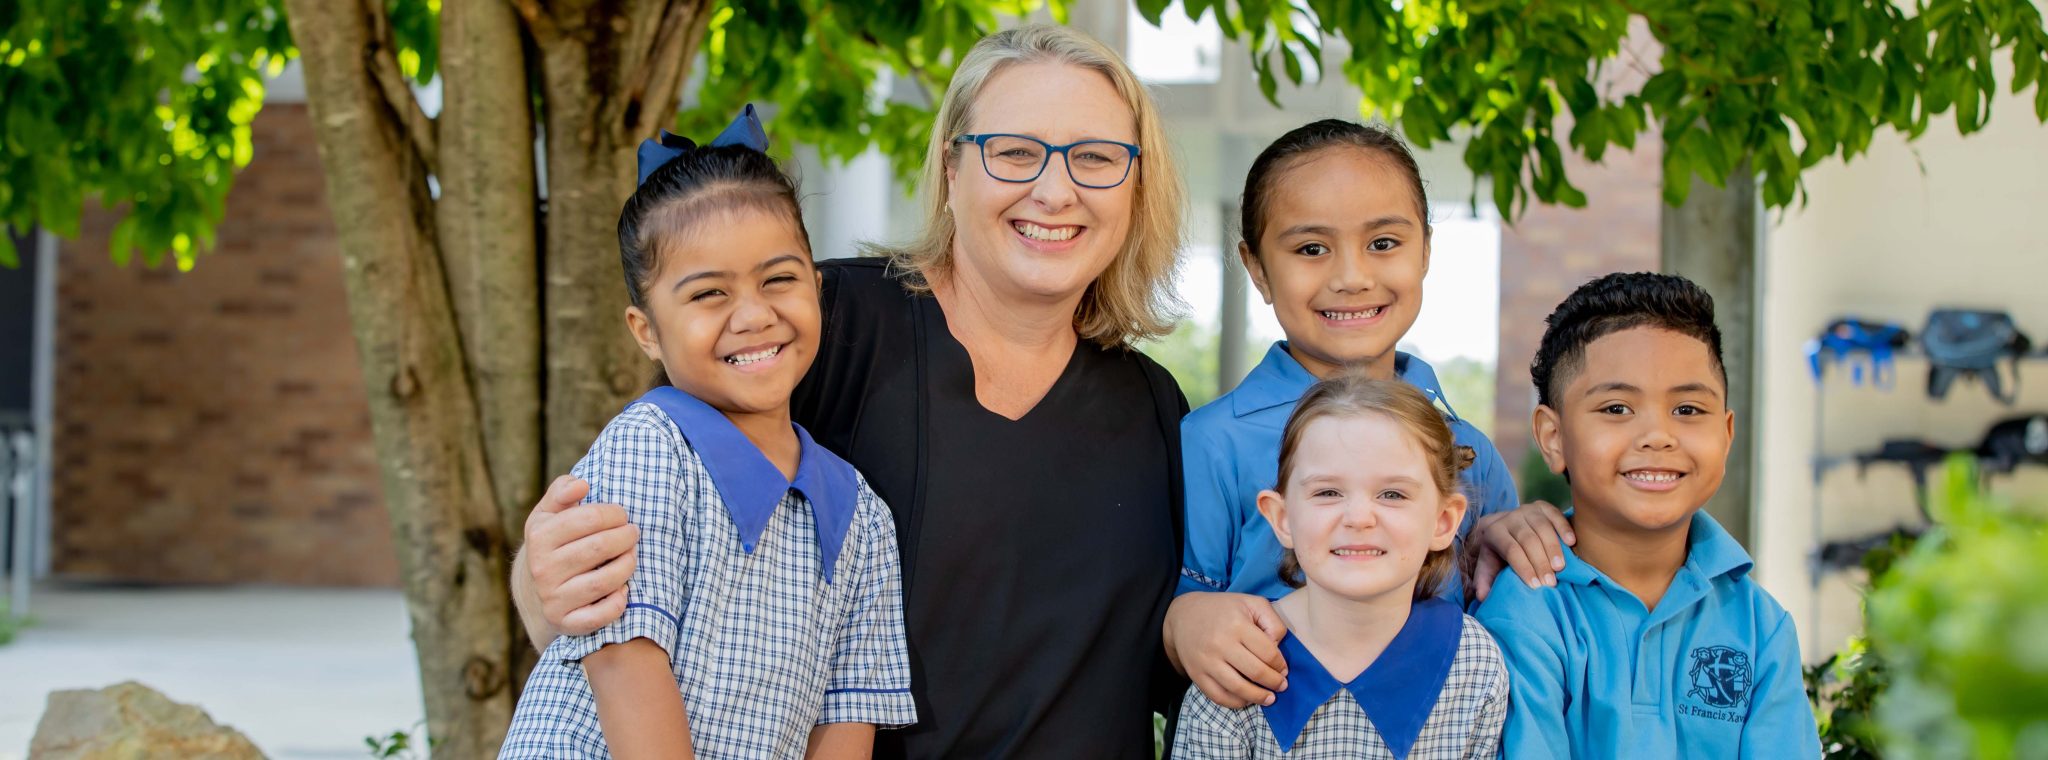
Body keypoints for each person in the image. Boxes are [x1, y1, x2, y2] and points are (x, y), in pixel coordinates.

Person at [511, 26, 1191, 759]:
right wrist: (540, 578)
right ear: (952, 168)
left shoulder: (1155, 411)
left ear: (1137, 185)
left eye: (1095, 158)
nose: (1055, 190)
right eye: (1015, 152)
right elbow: (620, 565)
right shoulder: (812, 326)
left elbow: (1181, 666)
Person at [498, 107, 913, 758]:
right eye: (708, 295)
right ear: (646, 331)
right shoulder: (649, 448)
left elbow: (845, 725)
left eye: (779, 279)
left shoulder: (861, 515)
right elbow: (625, 663)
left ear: (817, 286)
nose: (753, 315)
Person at [1165, 119, 1565, 710]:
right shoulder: (1208, 444)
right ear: (1256, 269)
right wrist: (1181, 624)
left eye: (1383, 243)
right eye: (1310, 249)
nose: (1351, 278)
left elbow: (1506, 642)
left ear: (1425, 249)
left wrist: (1517, 537)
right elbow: (1152, 619)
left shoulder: (1465, 450)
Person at [1473, 272, 1821, 758]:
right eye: (1616, 408)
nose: (1658, 435)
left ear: (1726, 434)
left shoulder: (1760, 626)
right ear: (1553, 438)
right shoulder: (1525, 612)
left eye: (1688, 409)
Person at [1173, 376, 1508, 759]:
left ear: (1443, 522)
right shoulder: (1237, 666)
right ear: (1281, 518)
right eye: (1328, 492)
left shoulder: (1473, 663)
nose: (1359, 518)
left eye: (1392, 494)